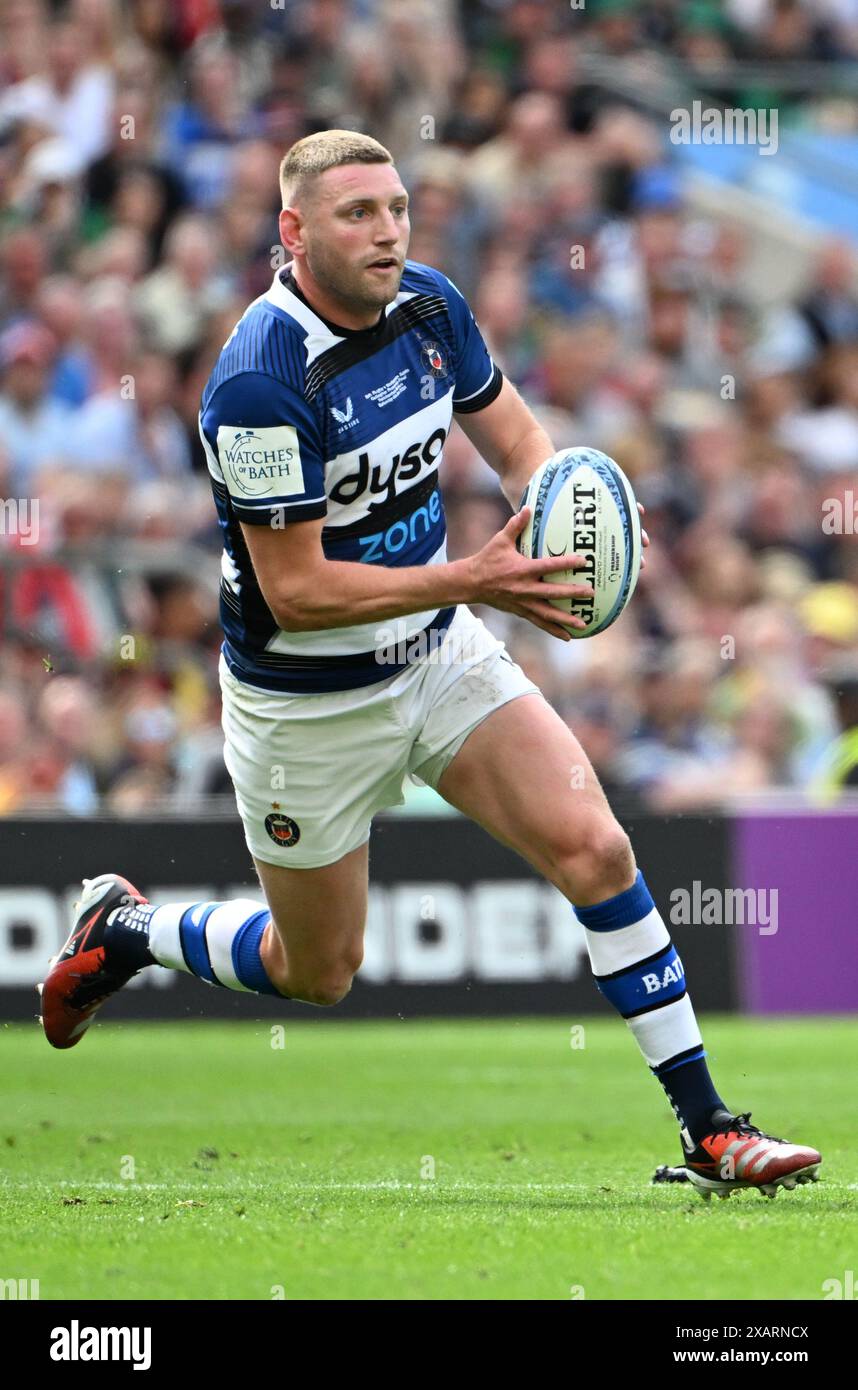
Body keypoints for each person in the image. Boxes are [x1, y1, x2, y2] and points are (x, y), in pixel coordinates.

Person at [41, 130, 820, 1201]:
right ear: (294, 231)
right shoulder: (259, 380)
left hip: (438, 651)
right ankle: (128, 926)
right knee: (316, 971)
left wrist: (562, 511)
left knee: (594, 848)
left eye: (398, 206)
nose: (388, 230)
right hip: (304, 701)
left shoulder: (431, 307)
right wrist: (474, 579)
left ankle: (711, 1131)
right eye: (358, 212)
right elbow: (297, 592)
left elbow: (515, 439)